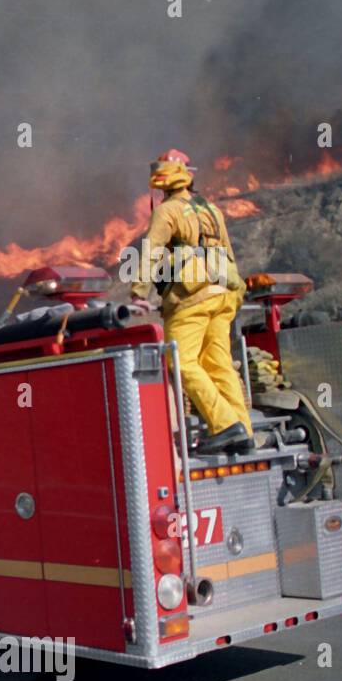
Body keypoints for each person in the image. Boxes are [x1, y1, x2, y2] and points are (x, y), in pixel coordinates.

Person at [130, 149, 253, 454]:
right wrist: (236, 296)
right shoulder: (211, 209)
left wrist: (138, 293)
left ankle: (225, 425)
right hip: (223, 295)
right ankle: (244, 432)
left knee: (180, 360)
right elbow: (229, 254)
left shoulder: (167, 211)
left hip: (191, 299)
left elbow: (152, 250)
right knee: (219, 364)